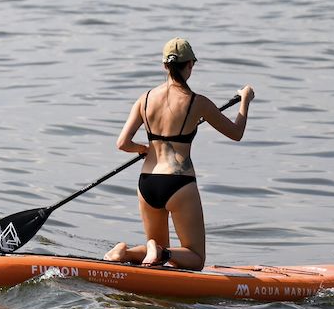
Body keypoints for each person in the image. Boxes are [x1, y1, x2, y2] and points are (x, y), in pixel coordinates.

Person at [104, 38, 253, 270]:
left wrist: (142, 149)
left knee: (156, 253)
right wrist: (245, 101)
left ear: (165, 66)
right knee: (196, 258)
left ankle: (125, 253)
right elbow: (236, 133)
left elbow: (122, 143)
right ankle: (161, 252)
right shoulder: (198, 102)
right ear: (190, 65)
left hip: (147, 182)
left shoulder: (144, 99)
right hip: (178, 183)